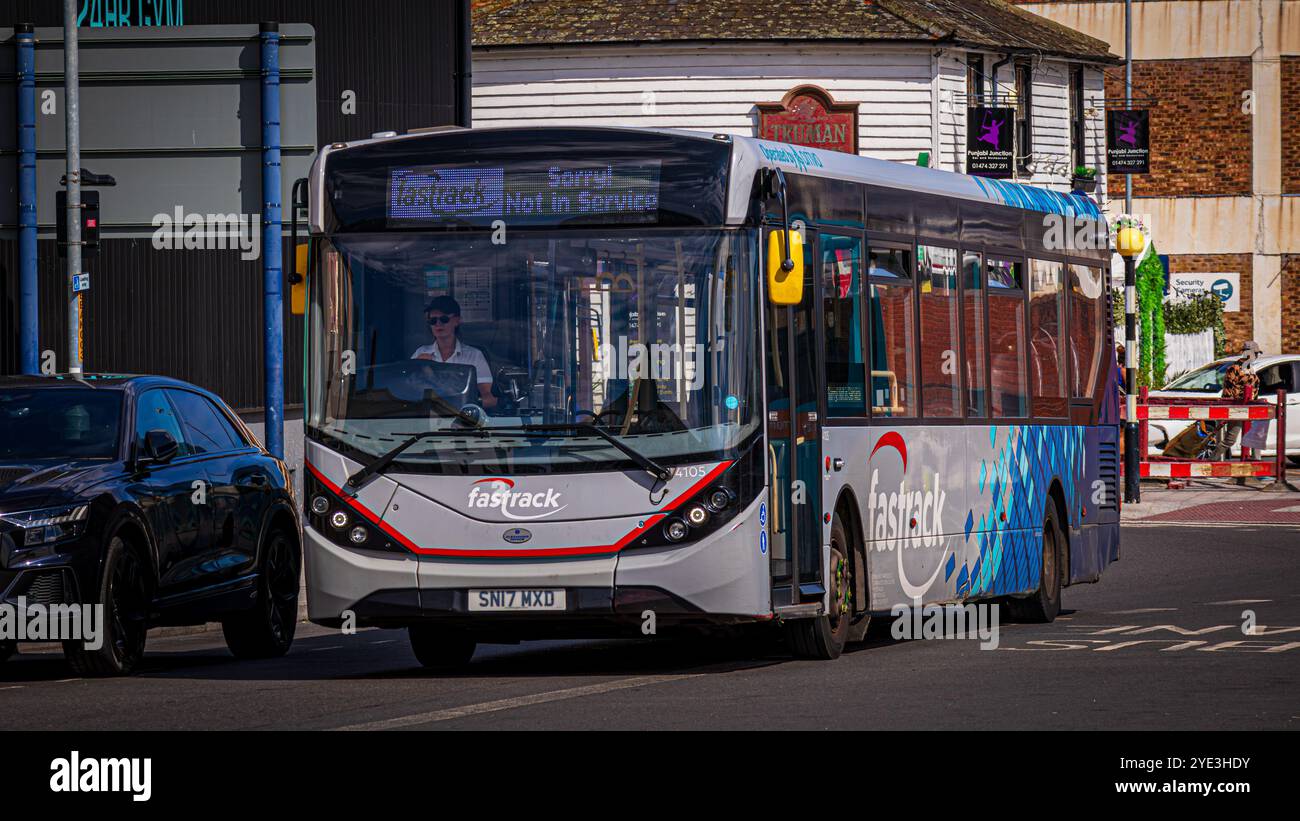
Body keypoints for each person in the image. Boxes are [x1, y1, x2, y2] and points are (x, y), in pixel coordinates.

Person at [410, 295, 497, 409]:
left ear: (457, 321)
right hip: (427, 417)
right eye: (433, 320)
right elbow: (408, 392)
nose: (438, 324)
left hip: (463, 419)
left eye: (444, 319)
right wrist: (419, 367)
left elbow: (487, 397)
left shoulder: (474, 356)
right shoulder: (420, 354)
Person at [1215, 340, 1262, 459]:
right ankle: (1210, 461)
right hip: (1238, 408)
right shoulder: (1235, 369)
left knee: (1255, 438)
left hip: (1250, 408)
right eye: (1255, 353)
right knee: (1230, 440)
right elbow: (1229, 391)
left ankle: (1258, 466)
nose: (1256, 356)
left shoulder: (1250, 368)